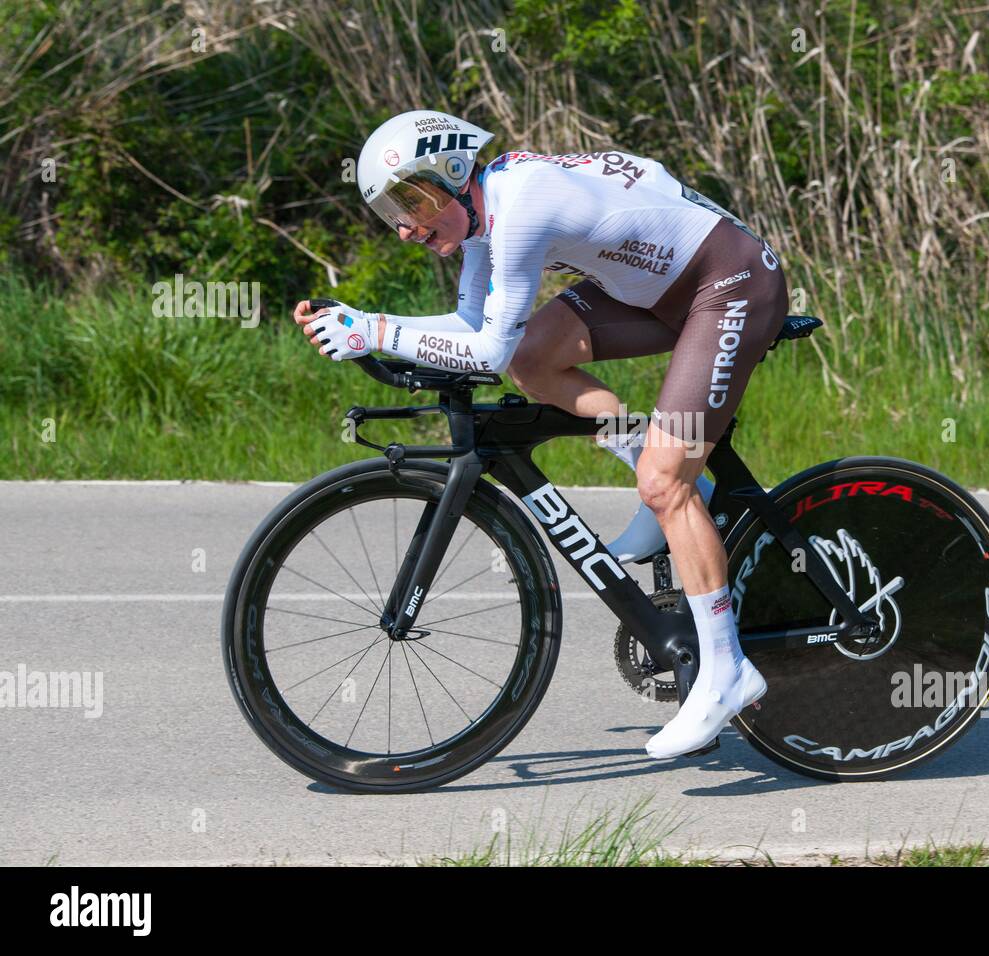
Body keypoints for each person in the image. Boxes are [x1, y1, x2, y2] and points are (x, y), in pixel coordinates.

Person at [295, 110, 788, 759]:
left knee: (668, 483)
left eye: (412, 203)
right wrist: (370, 327)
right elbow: (474, 328)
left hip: (730, 284)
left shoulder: (523, 206)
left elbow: (485, 351)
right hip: (657, 287)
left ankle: (726, 671)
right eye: (392, 214)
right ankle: (637, 449)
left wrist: (374, 329)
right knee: (536, 360)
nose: (407, 228)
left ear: (451, 174)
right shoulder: (485, 214)